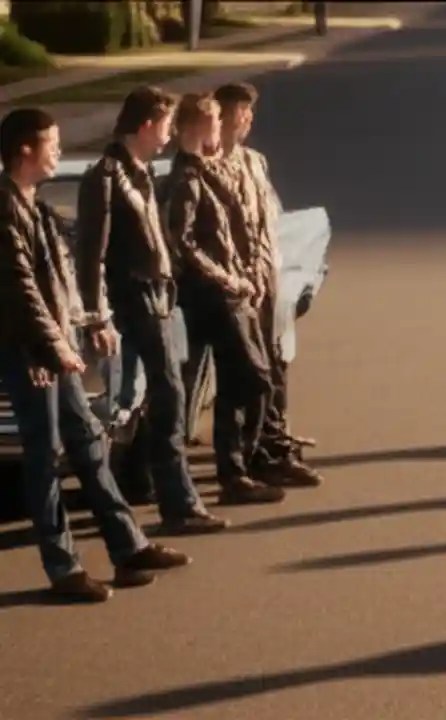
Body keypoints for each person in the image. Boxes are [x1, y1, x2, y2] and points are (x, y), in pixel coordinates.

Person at [0, 108, 192, 602]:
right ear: (25, 149)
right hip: (29, 354)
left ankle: (128, 548)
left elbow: (58, 283)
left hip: (55, 348)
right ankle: (63, 568)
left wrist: (88, 323)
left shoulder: (35, 206)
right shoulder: (5, 210)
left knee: (88, 441)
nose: (59, 151)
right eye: (52, 143)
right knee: (45, 456)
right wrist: (55, 347)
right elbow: (20, 290)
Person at [76, 86, 229, 534]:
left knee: (155, 400)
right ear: (146, 125)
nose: (168, 135)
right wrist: (96, 315)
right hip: (134, 299)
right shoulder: (105, 177)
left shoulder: (139, 172)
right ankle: (178, 504)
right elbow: (91, 253)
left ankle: (147, 486)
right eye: (164, 126)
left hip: (159, 298)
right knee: (166, 397)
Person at [163, 93, 285, 505]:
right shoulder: (186, 178)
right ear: (199, 126)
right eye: (216, 122)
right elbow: (182, 243)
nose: (221, 129)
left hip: (233, 289)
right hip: (212, 296)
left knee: (244, 380)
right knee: (252, 377)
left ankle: (238, 469)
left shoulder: (207, 170)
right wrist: (227, 278)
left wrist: (247, 272)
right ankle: (234, 470)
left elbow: (236, 231)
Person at [213, 81, 323, 488]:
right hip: (236, 287)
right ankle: (244, 456)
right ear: (221, 117)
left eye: (249, 112)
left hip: (268, 279)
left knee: (276, 368)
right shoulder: (209, 167)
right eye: (240, 112)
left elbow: (272, 220)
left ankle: (273, 448)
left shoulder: (255, 162)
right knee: (246, 377)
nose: (247, 120)